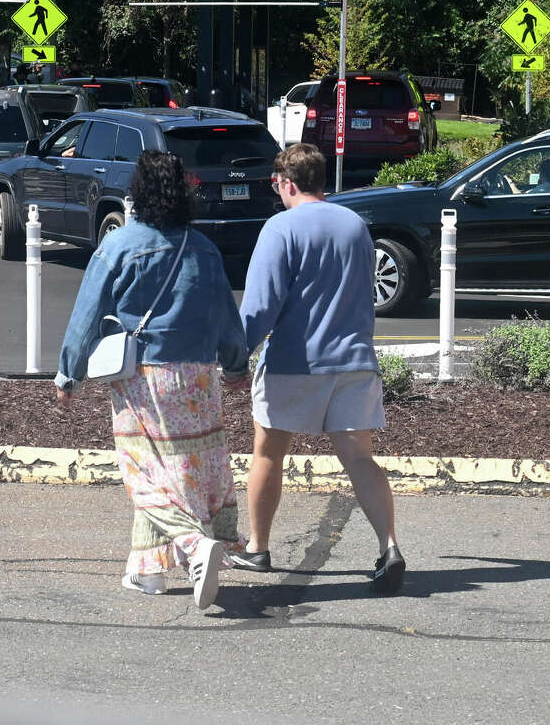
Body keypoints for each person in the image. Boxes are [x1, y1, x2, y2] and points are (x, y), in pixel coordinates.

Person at [57, 151, 249, 609]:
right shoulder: (202, 247)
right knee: (183, 468)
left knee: (145, 471)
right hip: (199, 378)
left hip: (143, 378)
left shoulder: (120, 245)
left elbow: (86, 315)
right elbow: (226, 313)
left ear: (137, 194)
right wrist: (237, 365)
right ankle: (146, 572)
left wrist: (69, 372)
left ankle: (191, 543)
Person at [230, 143, 406, 595]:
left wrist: (235, 356)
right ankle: (389, 548)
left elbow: (261, 306)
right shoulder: (355, 226)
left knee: (269, 453)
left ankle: (259, 548)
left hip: (294, 363)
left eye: (276, 185)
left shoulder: (280, 228)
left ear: (286, 182)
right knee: (360, 459)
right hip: (354, 362)